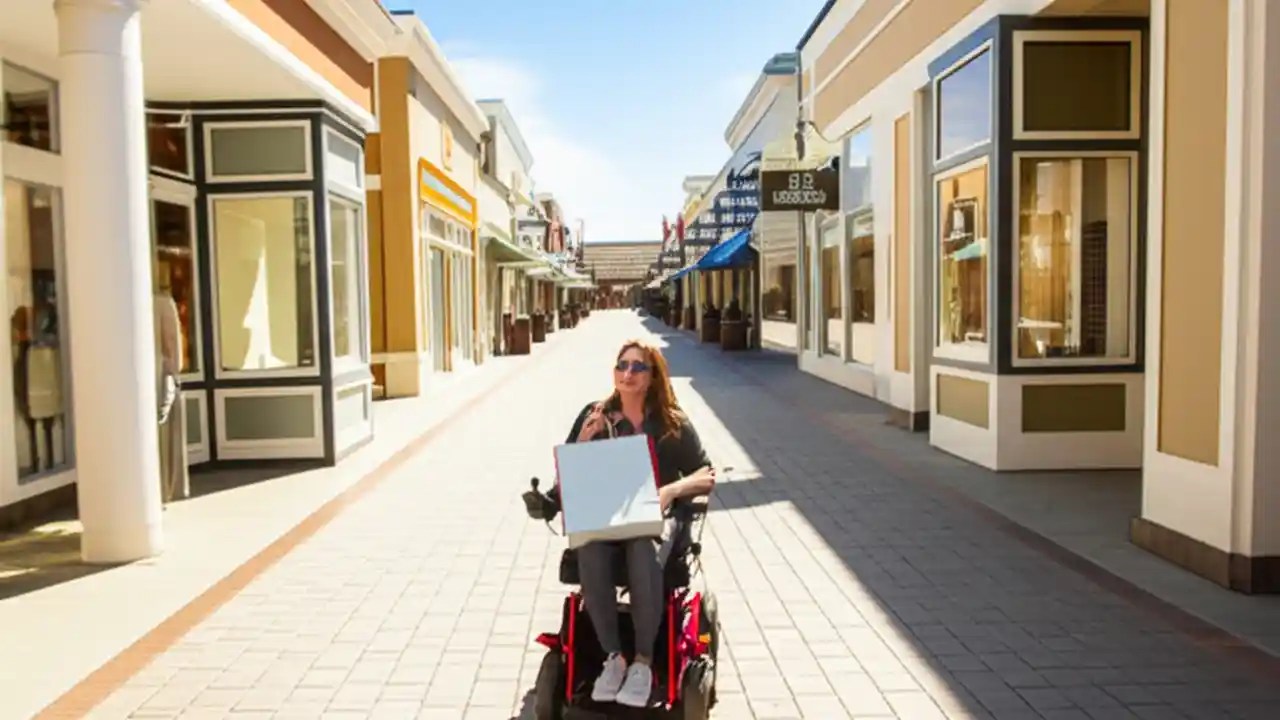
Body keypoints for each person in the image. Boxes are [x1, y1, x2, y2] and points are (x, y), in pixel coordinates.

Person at [533, 340, 715, 707]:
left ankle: (644, 663)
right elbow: (569, 475)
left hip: (656, 521)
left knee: (640, 547)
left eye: (637, 367)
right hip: (607, 518)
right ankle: (614, 657)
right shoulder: (595, 415)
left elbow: (706, 473)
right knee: (591, 548)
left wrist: (670, 490)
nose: (627, 373)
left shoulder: (671, 423)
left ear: (652, 377)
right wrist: (584, 440)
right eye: (622, 365)